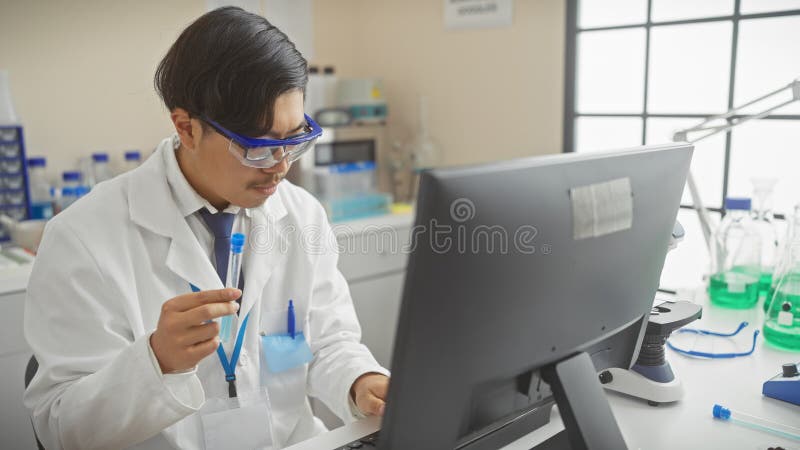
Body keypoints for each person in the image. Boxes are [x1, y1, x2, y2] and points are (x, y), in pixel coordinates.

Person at [24, 7, 389, 450]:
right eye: (258, 147)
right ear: (187, 127)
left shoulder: (302, 215)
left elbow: (329, 341)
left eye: (294, 140)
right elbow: (61, 427)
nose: (280, 168)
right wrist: (156, 361)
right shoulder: (82, 239)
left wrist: (360, 380)